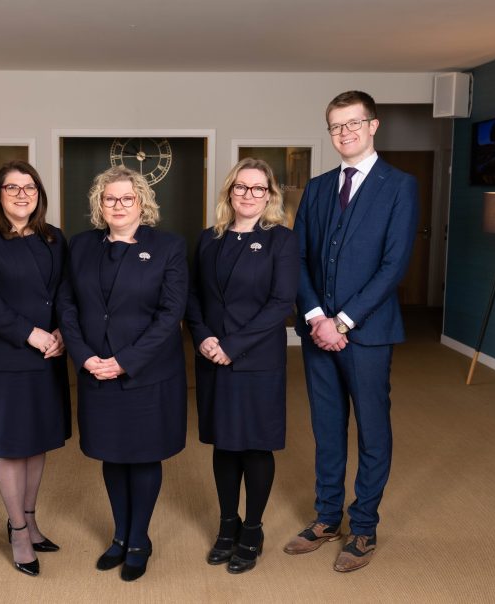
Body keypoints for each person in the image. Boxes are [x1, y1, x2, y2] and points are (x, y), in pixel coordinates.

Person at [283, 91, 418, 572]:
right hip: (319, 333)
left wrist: (343, 321)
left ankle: (363, 527)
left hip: (367, 333)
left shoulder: (399, 186)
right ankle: (326, 518)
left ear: (373, 125)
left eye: (353, 124)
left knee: (372, 432)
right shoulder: (318, 188)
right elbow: (297, 258)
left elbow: (393, 264)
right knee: (326, 429)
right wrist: (317, 317)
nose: (345, 133)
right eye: (336, 126)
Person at [57, 166, 188, 582]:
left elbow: (171, 315)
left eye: (126, 198)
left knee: (144, 454)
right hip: (96, 370)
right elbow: (67, 306)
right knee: (112, 454)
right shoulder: (79, 246)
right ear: (99, 203)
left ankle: (138, 539)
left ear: (142, 202)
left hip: (146, 374)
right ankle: (120, 533)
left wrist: (126, 360)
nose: (118, 205)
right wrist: (82, 355)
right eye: (109, 198)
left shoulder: (168, 247)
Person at [185, 158, 299, 574]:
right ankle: (226, 525)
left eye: (258, 189)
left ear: (269, 195)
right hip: (213, 357)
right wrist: (203, 337)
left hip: (255, 361)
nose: (249, 195)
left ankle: (252, 528)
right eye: (241, 187)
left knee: (254, 445)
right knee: (224, 444)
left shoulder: (281, 241)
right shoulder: (209, 239)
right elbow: (193, 296)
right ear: (229, 192)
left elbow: (281, 303)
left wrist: (232, 345)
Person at [0, 160, 71, 577]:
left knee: (38, 440)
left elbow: (64, 290)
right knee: (11, 444)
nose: (22, 194)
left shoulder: (53, 238)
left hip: (48, 356)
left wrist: (60, 331)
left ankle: (30, 515)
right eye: (12, 188)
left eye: (30, 187)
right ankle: (19, 530)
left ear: (39, 194)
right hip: (9, 356)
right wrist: (33, 334)